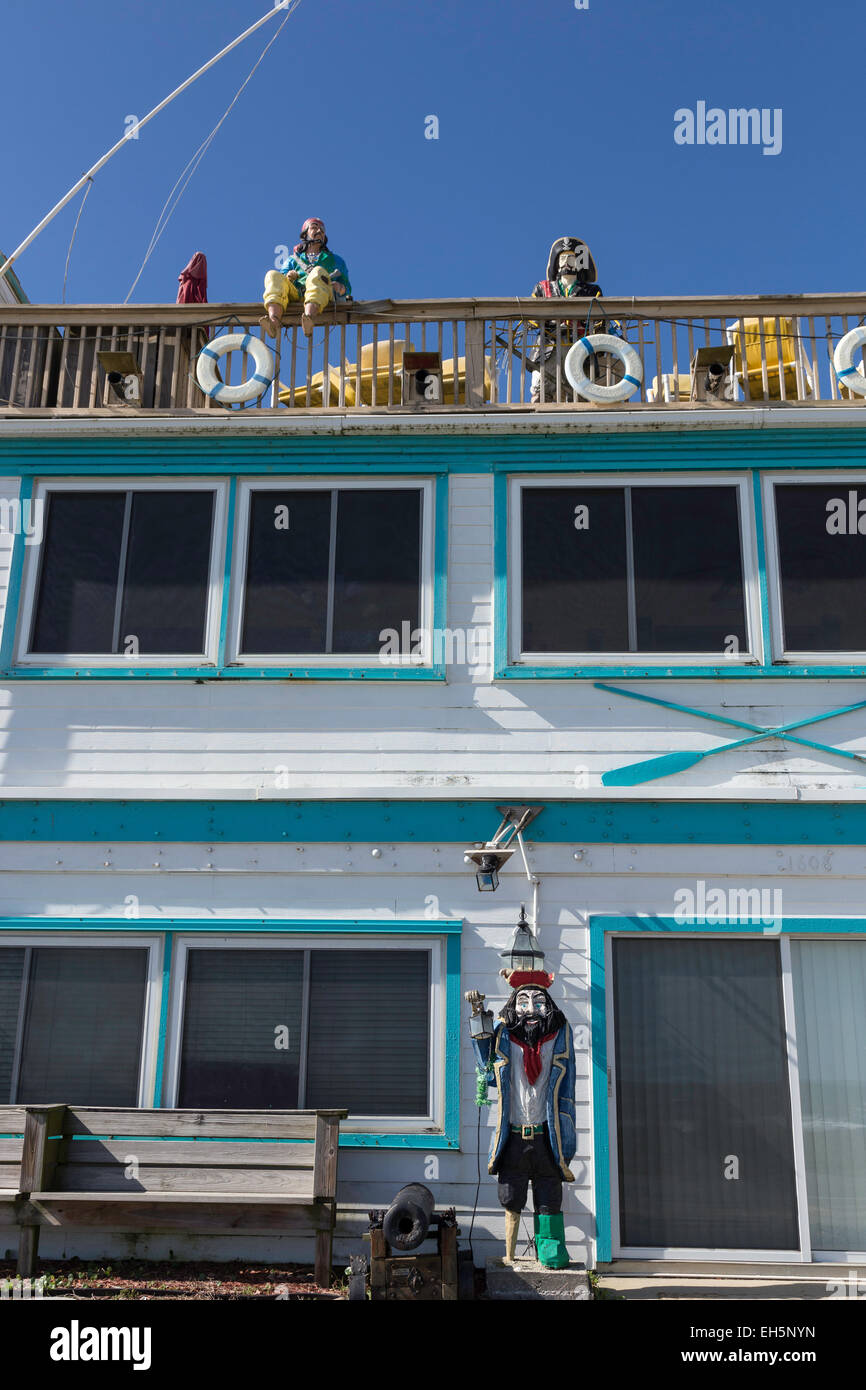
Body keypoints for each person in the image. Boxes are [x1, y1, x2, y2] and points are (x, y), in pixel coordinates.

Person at [468, 968, 576, 1268]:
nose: (530, 1009)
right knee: (510, 1196)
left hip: (546, 1133)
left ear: (549, 1005)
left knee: (549, 1197)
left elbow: (567, 1092)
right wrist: (478, 1014)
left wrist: (567, 1135)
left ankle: (551, 1254)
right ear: (514, 1005)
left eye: (538, 1001)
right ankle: (510, 1254)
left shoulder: (560, 1035)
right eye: (523, 1001)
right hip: (513, 1134)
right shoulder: (504, 1035)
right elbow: (487, 1072)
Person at [528, 235, 606, 403]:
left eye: (571, 258)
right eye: (562, 258)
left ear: (580, 262)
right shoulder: (543, 288)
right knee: (543, 386)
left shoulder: (592, 291)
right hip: (549, 343)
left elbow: (600, 320)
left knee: (580, 387)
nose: (566, 262)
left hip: (579, 344)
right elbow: (531, 316)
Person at [261, 217, 351, 338]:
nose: (319, 231)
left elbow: (346, 287)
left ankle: (309, 317)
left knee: (317, 271)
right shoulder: (293, 259)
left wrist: (340, 288)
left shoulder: (335, 260)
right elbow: (280, 282)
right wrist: (288, 277)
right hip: (297, 293)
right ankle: (273, 322)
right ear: (305, 234)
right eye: (314, 227)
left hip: (322, 293)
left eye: (322, 230)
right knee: (272, 275)